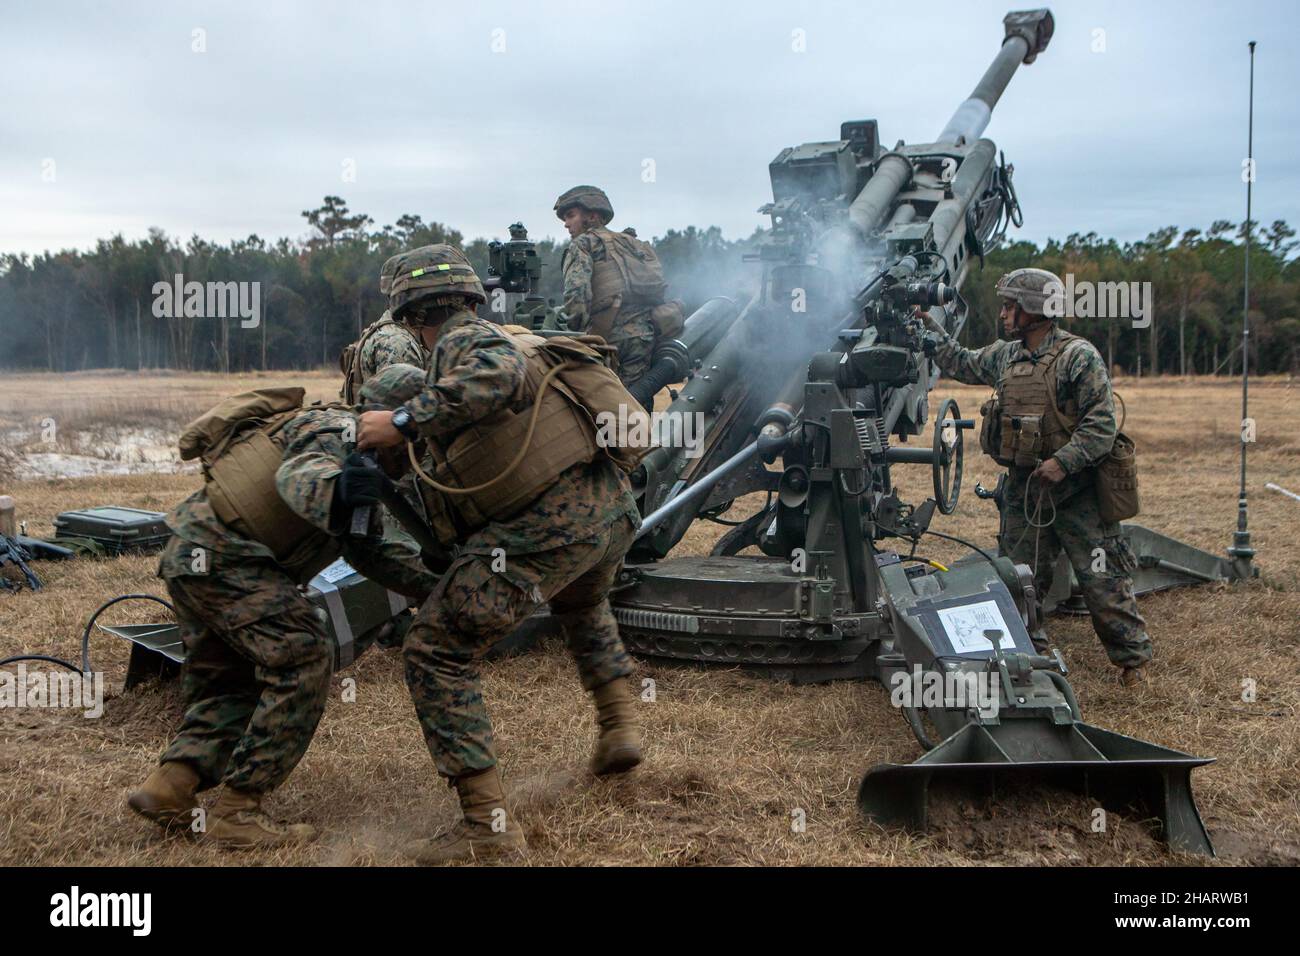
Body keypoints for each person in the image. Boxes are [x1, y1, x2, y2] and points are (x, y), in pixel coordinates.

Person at [357, 243, 645, 864]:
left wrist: (402, 421)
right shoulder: (523, 338)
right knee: (583, 604)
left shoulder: (463, 344)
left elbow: (495, 380)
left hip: (545, 530)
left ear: (413, 317)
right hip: (608, 518)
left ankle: (486, 831)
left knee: (434, 649)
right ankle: (619, 726)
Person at [127, 378, 438, 848]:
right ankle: (238, 810)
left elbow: (367, 552)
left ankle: (171, 785)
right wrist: (340, 490)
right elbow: (300, 480)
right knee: (305, 656)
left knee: (233, 681)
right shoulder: (335, 429)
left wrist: (440, 587)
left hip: (197, 558)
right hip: (227, 559)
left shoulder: (364, 463)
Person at [926, 267, 1152, 686]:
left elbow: (1101, 426)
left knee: (1101, 580)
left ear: (1036, 310)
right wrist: (929, 330)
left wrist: (1063, 462)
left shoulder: (1077, 357)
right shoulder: (1005, 356)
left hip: (1076, 491)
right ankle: (1027, 655)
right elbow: (961, 362)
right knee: (1018, 578)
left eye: (1011, 307)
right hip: (1025, 491)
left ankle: (1132, 662)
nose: (1004, 315)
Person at [553, 185, 682, 389]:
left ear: (593, 216)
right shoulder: (631, 243)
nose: (566, 224)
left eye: (570, 216)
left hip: (607, 339)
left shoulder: (583, 244)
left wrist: (576, 335)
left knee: (603, 404)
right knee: (637, 402)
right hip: (644, 336)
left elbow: (576, 294)